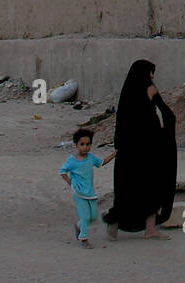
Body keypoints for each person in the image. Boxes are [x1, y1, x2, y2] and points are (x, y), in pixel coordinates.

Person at [101, 59, 177, 241]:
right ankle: (120, 223)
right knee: (139, 188)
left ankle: (147, 228)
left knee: (145, 188)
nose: (152, 76)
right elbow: (165, 114)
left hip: (143, 150)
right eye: (150, 72)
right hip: (140, 150)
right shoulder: (143, 91)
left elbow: (165, 114)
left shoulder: (133, 92)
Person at [59, 128, 115, 249]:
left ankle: (79, 226)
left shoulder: (91, 158)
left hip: (90, 192)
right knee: (85, 217)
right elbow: (62, 171)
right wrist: (71, 183)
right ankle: (84, 239)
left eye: (88, 144)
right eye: (82, 144)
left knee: (93, 216)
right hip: (78, 193)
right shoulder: (72, 161)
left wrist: (114, 154)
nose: (85, 147)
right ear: (76, 145)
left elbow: (102, 162)